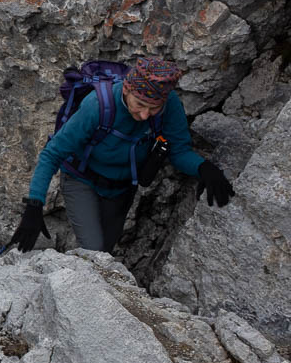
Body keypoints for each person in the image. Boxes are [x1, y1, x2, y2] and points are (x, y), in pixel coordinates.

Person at [12, 57, 235, 253]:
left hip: (122, 188)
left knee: (105, 254)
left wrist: (204, 168)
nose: (145, 114)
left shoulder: (169, 104)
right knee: (94, 251)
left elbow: (179, 151)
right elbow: (53, 153)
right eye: (140, 104)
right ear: (127, 90)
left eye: (154, 108)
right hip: (81, 179)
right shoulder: (98, 105)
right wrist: (34, 205)